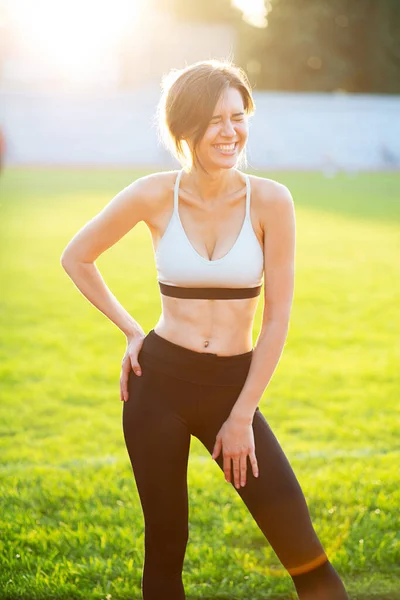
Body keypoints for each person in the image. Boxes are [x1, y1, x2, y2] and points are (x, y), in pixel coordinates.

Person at [61, 59, 349, 600]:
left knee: (304, 553)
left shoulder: (271, 200)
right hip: (159, 384)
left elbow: (278, 316)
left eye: (238, 117)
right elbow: (77, 257)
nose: (230, 131)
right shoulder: (153, 194)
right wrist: (130, 331)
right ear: (185, 128)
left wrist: (241, 415)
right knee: (166, 550)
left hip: (233, 391)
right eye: (215, 120)